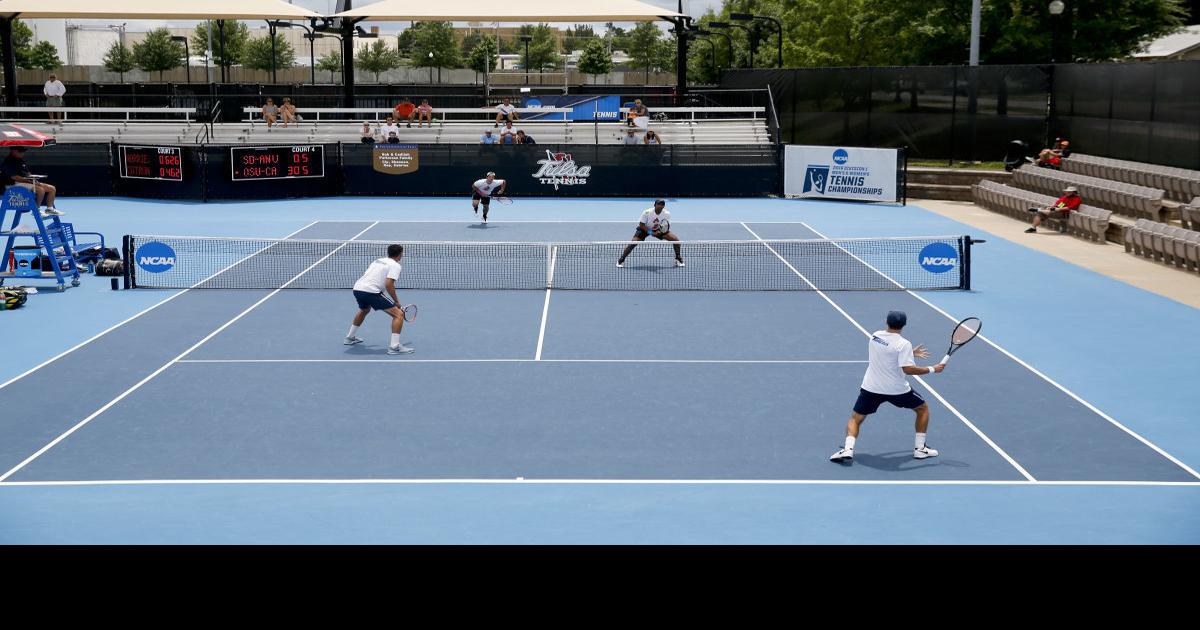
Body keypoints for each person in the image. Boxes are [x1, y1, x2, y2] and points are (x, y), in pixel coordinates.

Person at [829, 311, 945, 463]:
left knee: (856, 419)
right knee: (922, 409)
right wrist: (933, 368)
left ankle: (848, 449)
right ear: (904, 325)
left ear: (886, 321)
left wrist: (909, 353)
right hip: (896, 390)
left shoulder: (875, 336)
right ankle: (920, 449)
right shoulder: (904, 344)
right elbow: (908, 369)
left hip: (871, 388)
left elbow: (887, 352)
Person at [345, 244, 414, 355]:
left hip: (357, 288)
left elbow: (369, 275)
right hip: (370, 292)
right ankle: (394, 347)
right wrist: (396, 301)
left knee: (364, 310)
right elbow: (389, 284)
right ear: (400, 254)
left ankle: (349, 338)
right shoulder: (396, 266)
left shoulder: (378, 260)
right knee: (398, 315)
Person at [616, 199, 683, 268]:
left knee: (676, 240)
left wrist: (659, 231)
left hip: (658, 229)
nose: (660, 206)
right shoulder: (647, 212)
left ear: (663, 206)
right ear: (654, 205)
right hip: (645, 229)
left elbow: (666, 225)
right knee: (633, 243)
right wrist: (651, 232)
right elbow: (641, 224)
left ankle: (678, 258)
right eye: (658, 204)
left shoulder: (666, 214)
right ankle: (622, 259)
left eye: (662, 205)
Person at [2, 146, 61, 217]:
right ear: (13, 151)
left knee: (52, 188)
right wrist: (29, 181)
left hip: (25, 182)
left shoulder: (21, 161)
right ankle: (36, 210)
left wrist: (34, 179)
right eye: (20, 151)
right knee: (40, 190)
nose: (22, 153)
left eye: (23, 151)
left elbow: (28, 173)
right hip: (13, 184)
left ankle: (49, 209)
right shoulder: (8, 162)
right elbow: (14, 177)